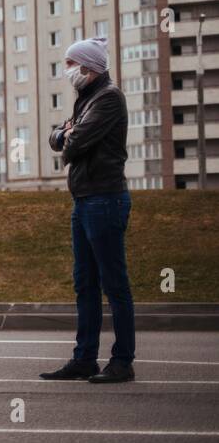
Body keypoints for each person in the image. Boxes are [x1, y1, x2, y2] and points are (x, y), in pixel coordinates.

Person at [40, 37, 135, 384]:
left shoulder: (109, 97)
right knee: (85, 283)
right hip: (83, 201)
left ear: (89, 67)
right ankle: (84, 359)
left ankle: (123, 361)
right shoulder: (87, 99)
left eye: (70, 64)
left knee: (114, 284)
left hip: (104, 200)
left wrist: (68, 135)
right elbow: (57, 138)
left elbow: (75, 142)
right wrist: (66, 134)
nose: (67, 71)